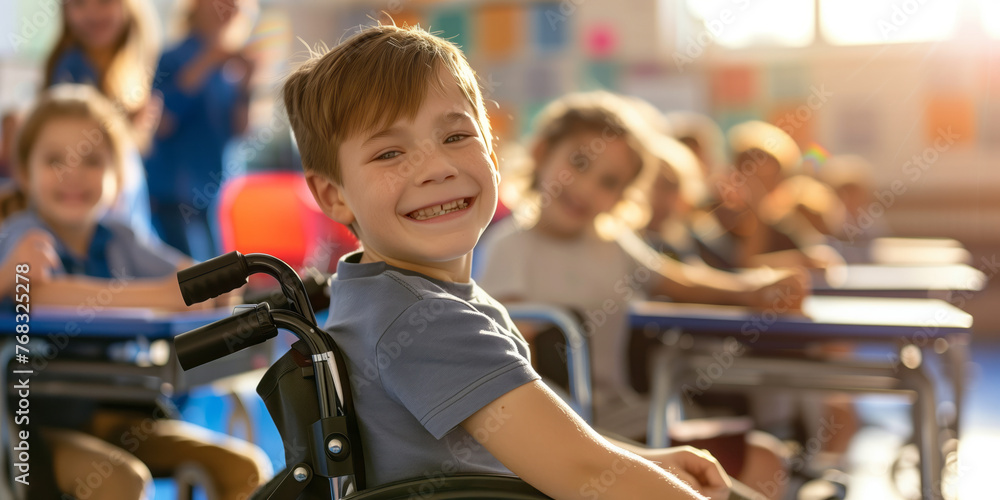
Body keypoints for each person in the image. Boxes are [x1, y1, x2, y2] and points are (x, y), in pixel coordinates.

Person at [283, 24, 736, 499]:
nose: (437, 167)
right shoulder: (422, 318)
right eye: (390, 152)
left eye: (456, 136)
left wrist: (649, 461)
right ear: (334, 196)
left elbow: (541, 447)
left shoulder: (393, 295)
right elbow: (582, 473)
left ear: (492, 151)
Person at [476, 91, 803, 499]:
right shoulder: (509, 248)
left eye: (609, 182)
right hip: (567, 433)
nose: (586, 186)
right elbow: (513, 364)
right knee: (700, 485)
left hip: (631, 416)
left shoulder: (614, 244)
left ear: (623, 195)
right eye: (578, 162)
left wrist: (753, 290)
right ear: (541, 153)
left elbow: (677, 281)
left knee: (765, 460)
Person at [0, 84, 269, 500]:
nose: (73, 173)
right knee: (123, 480)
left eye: (91, 160)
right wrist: (163, 295)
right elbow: (37, 293)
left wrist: (221, 282)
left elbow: (189, 280)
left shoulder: (121, 238)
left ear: (120, 173)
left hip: (122, 417)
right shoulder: (25, 234)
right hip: (33, 429)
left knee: (245, 469)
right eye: (54, 160)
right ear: (23, 172)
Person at [145, 0, 256, 261]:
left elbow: (240, 131)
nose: (228, 8)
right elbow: (162, 123)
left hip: (212, 192)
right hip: (173, 196)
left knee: (221, 277)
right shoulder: (171, 58)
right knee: (193, 283)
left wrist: (247, 84)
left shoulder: (229, 69)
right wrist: (206, 62)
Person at [44, 0, 161, 242]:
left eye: (105, 2)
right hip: (98, 214)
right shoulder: (71, 67)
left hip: (123, 210)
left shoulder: (129, 67)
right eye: (78, 4)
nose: (92, 13)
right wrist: (126, 126)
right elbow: (77, 145)